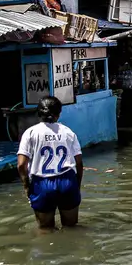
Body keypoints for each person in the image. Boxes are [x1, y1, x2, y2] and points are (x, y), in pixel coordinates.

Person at [17, 96, 84, 230]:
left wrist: (26, 186)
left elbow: (21, 165)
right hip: (67, 181)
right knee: (72, 228)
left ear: (39, 113)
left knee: (45, 231)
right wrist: (76, 184)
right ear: (59, 114)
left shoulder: (30, 133)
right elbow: (79, 163)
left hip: (42, 183)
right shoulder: (68, 133)